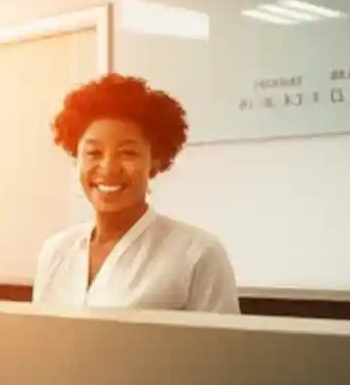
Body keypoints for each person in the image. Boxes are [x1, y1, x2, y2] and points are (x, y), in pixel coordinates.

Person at [32, 73, 240, 313]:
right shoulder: (55, 251)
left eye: (128, 153)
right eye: (94, 153)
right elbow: (40, 342)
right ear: (76, 159)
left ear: (155, 161)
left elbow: (222, 349)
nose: (108, 168)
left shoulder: (197, 253)